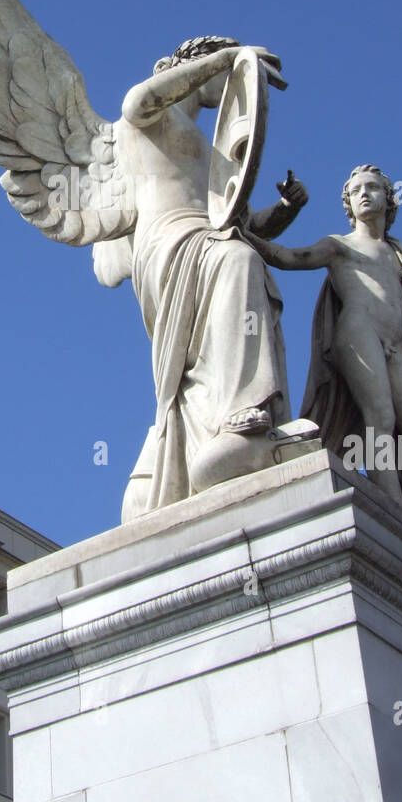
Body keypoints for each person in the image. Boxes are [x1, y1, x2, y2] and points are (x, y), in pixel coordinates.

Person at [105, 36, 311, 520]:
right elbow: (136, 102)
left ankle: (221, 438)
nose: (228, 89)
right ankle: (248, 423)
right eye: (221, 78)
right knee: (239, 262)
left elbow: (237, 220)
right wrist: (230, 58)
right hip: (169, 244)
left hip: (208, 238)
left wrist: (285, 209)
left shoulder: (213, 152)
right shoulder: (150, 117)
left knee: (240, 266)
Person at [255, 165, 402, 520]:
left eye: (373, 187)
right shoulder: (339, 247)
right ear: (349, 206)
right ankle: (395, 516)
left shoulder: (401, 256)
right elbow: (293, 257)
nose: (364, 193)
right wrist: (246, 236)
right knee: (380, 418)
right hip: (357, 333)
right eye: (356, 191)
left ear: (389, 198)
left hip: (395, 344)